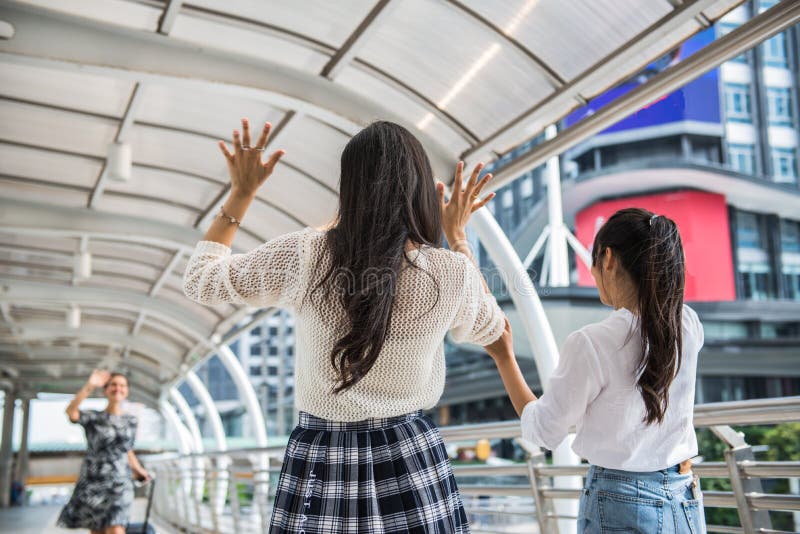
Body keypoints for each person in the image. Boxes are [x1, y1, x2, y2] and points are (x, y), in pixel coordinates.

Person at [183, 118, 506, 533]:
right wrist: (458, 238)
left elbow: (201, 280)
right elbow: (492, 327)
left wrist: (242, 194)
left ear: (350, 186)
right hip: (411, 458)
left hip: (321, 460)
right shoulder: (450, 272)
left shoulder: (306, 254)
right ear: (422, 187)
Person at [484, 208, 705, 533]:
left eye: (594, 260)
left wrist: (504, 358)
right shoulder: (688, 324)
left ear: (609, 258)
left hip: (619, 503)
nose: (592, 271)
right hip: (683, 494)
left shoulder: (592, 342)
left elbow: (544, 431)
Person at [58, 369, 150, 534]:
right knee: (97, 530)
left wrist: (138, 470)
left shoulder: (131, 421)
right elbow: (71, 412)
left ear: (127, 390)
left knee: (116, 528)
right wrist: (89, 385)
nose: (118, 388)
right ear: (105, 390)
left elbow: (127, 450)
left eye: (122, 385)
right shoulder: (93, 418)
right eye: (113, 385)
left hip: (120, 483)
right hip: (94, 482)